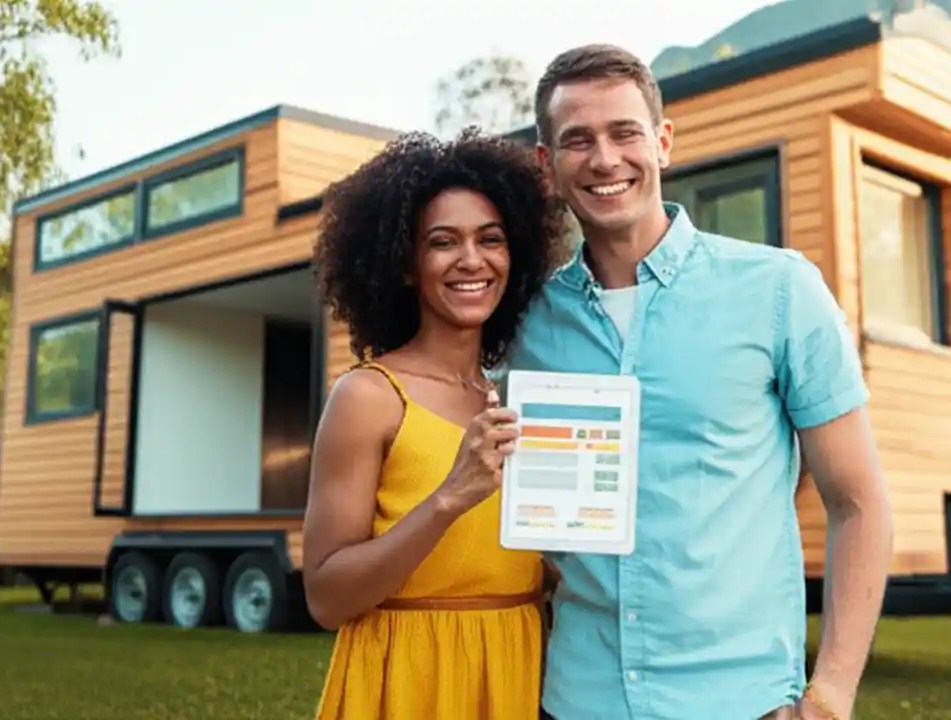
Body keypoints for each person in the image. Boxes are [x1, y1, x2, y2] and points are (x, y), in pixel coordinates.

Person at [506, 45, 896, 720]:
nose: (604, 159)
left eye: (624, 132)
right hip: (576, 700)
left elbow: (858, 503)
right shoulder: (525, 324)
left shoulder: (779, 289)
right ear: (547, 165)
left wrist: (831, 693)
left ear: (662, 142)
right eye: (577, 140)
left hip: (741, 701)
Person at [302, 128, 567, 720]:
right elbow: (325, 596)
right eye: (443, 242)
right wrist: (449, 498)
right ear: (403, 264)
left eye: (490, 240)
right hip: (407, 679)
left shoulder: (515, 396)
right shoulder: (369, 395)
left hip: (516, 671)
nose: (472, 261)